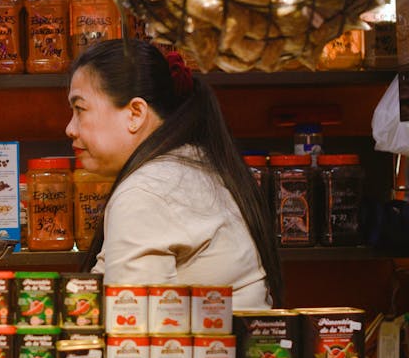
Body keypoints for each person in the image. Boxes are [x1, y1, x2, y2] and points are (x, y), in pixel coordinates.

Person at [66, 39, 283, 309]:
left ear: (135, 113)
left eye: (80, 109)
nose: (70, 128)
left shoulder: (146, 192)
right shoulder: (191, 163)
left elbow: (129, 328)